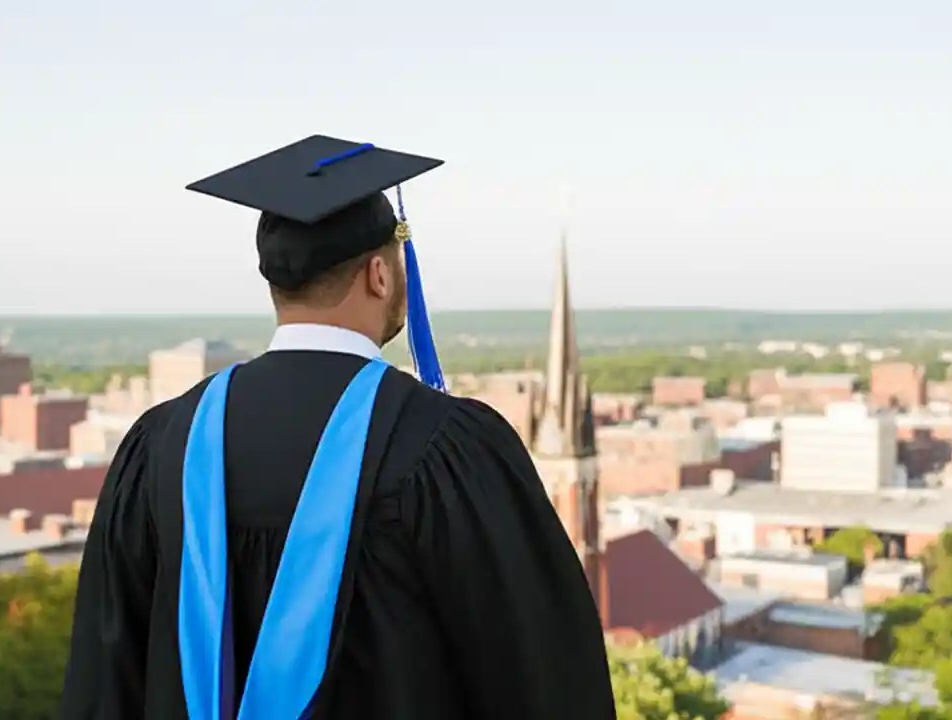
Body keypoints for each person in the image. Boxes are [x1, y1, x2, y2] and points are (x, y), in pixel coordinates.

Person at [58, 136, 614, 719]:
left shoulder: (161, 445)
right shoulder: (445, 446)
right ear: (379, 273)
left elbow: (104, 687)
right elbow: (543, 678)